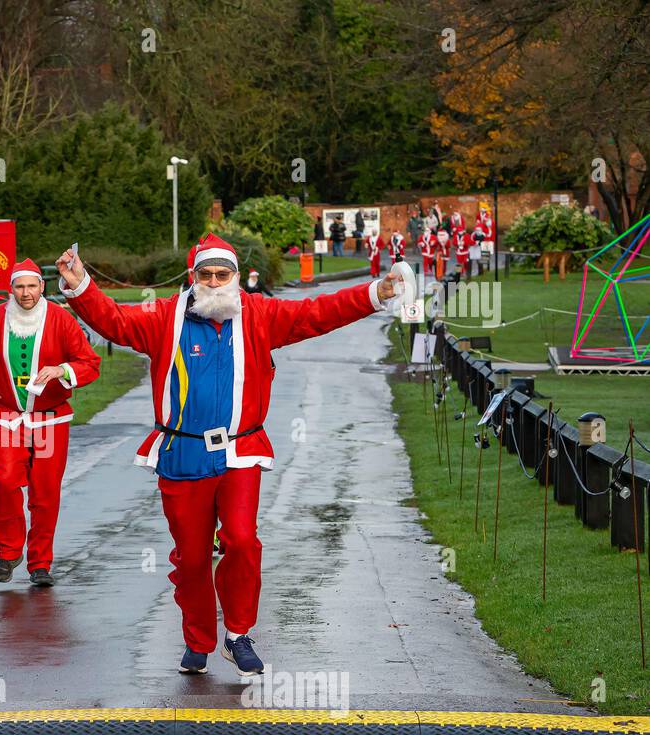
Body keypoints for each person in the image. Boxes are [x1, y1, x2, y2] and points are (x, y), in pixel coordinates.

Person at [54, 235, 403, 677]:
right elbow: (114, 321)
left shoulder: (260, 314)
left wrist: (376, 293)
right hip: (182, 451)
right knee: (193, 556)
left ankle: (238, 634)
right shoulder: (164, 317)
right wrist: (81, 285)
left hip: (242, 449)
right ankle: (197, 640)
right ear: (192, 277)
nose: (215, 283)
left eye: (224, 275)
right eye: (207, 275)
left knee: (240, 540)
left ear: (237, 278)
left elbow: (319, 313)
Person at [0, 258, 102, 586]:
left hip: (50, 418)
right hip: (6, 415)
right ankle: (9, 551)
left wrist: (62, 371)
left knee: (45, 492)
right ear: (11, 289)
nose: (26, 293)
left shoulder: (61, 320)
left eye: (32, 286)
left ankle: (40, 562)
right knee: (5, 480)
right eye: (20, 287)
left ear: (42, 287)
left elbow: (89, 363)